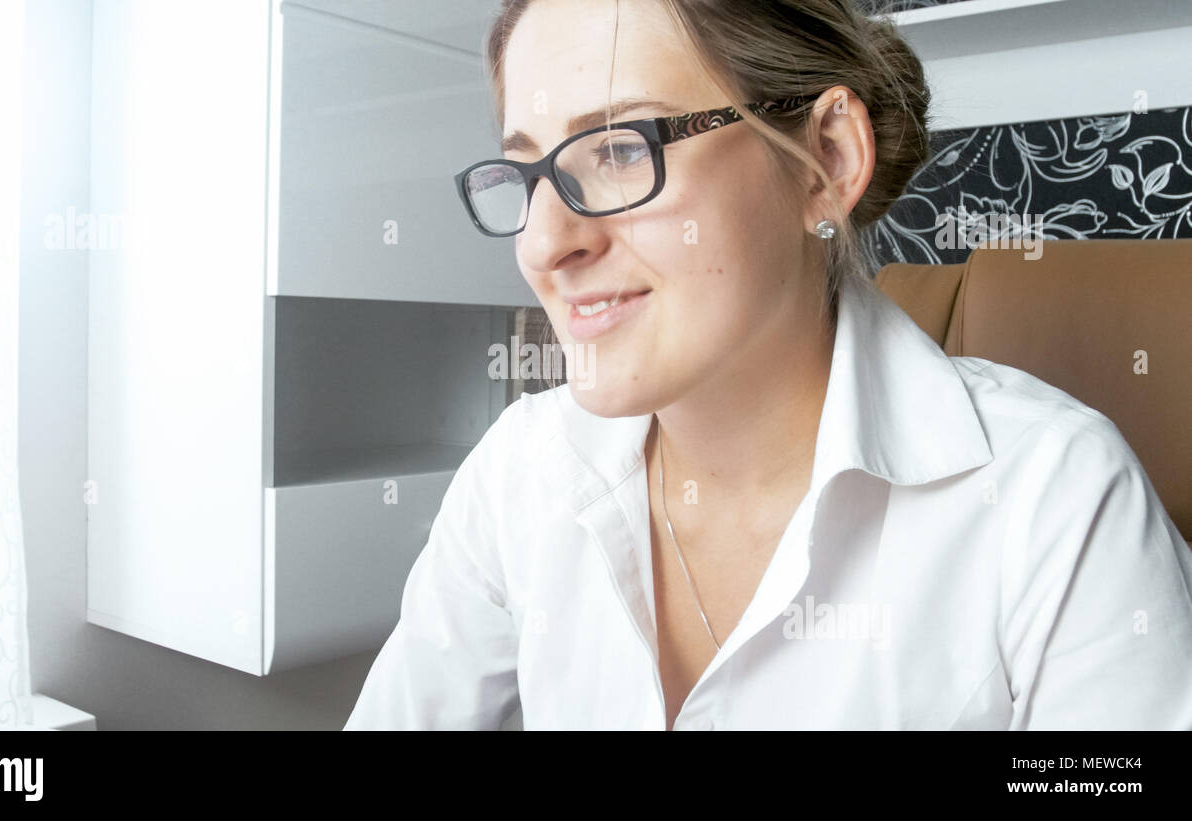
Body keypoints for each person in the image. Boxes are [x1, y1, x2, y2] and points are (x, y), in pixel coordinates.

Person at [344, 0, 1192, 730]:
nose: (544, 243)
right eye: (528, 171)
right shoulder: (520, 471)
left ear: (827, 160)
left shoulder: (1062, 503)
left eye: (619, 149)